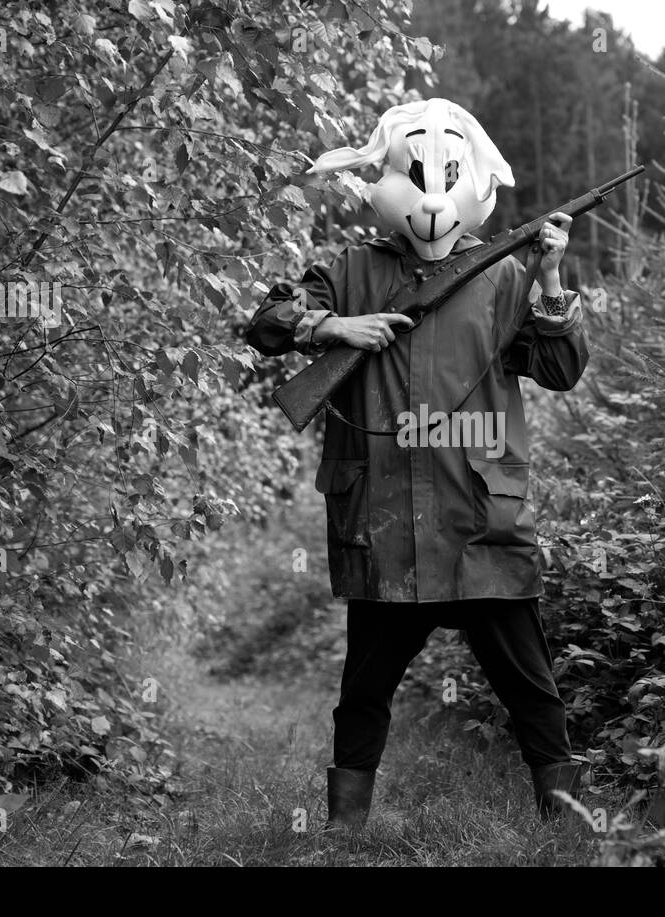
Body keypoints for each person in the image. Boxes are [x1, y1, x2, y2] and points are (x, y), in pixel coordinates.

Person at [246, 98, 589, 828]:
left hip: (479, 526)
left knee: (532, 688)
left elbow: (560, 368)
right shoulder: (348, 269)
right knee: (363, 692)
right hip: (386, 524)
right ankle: (342, 831)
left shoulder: (505, 276)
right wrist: (333, 325)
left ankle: (567, 832)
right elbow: (266, 323)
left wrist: (552, 276)